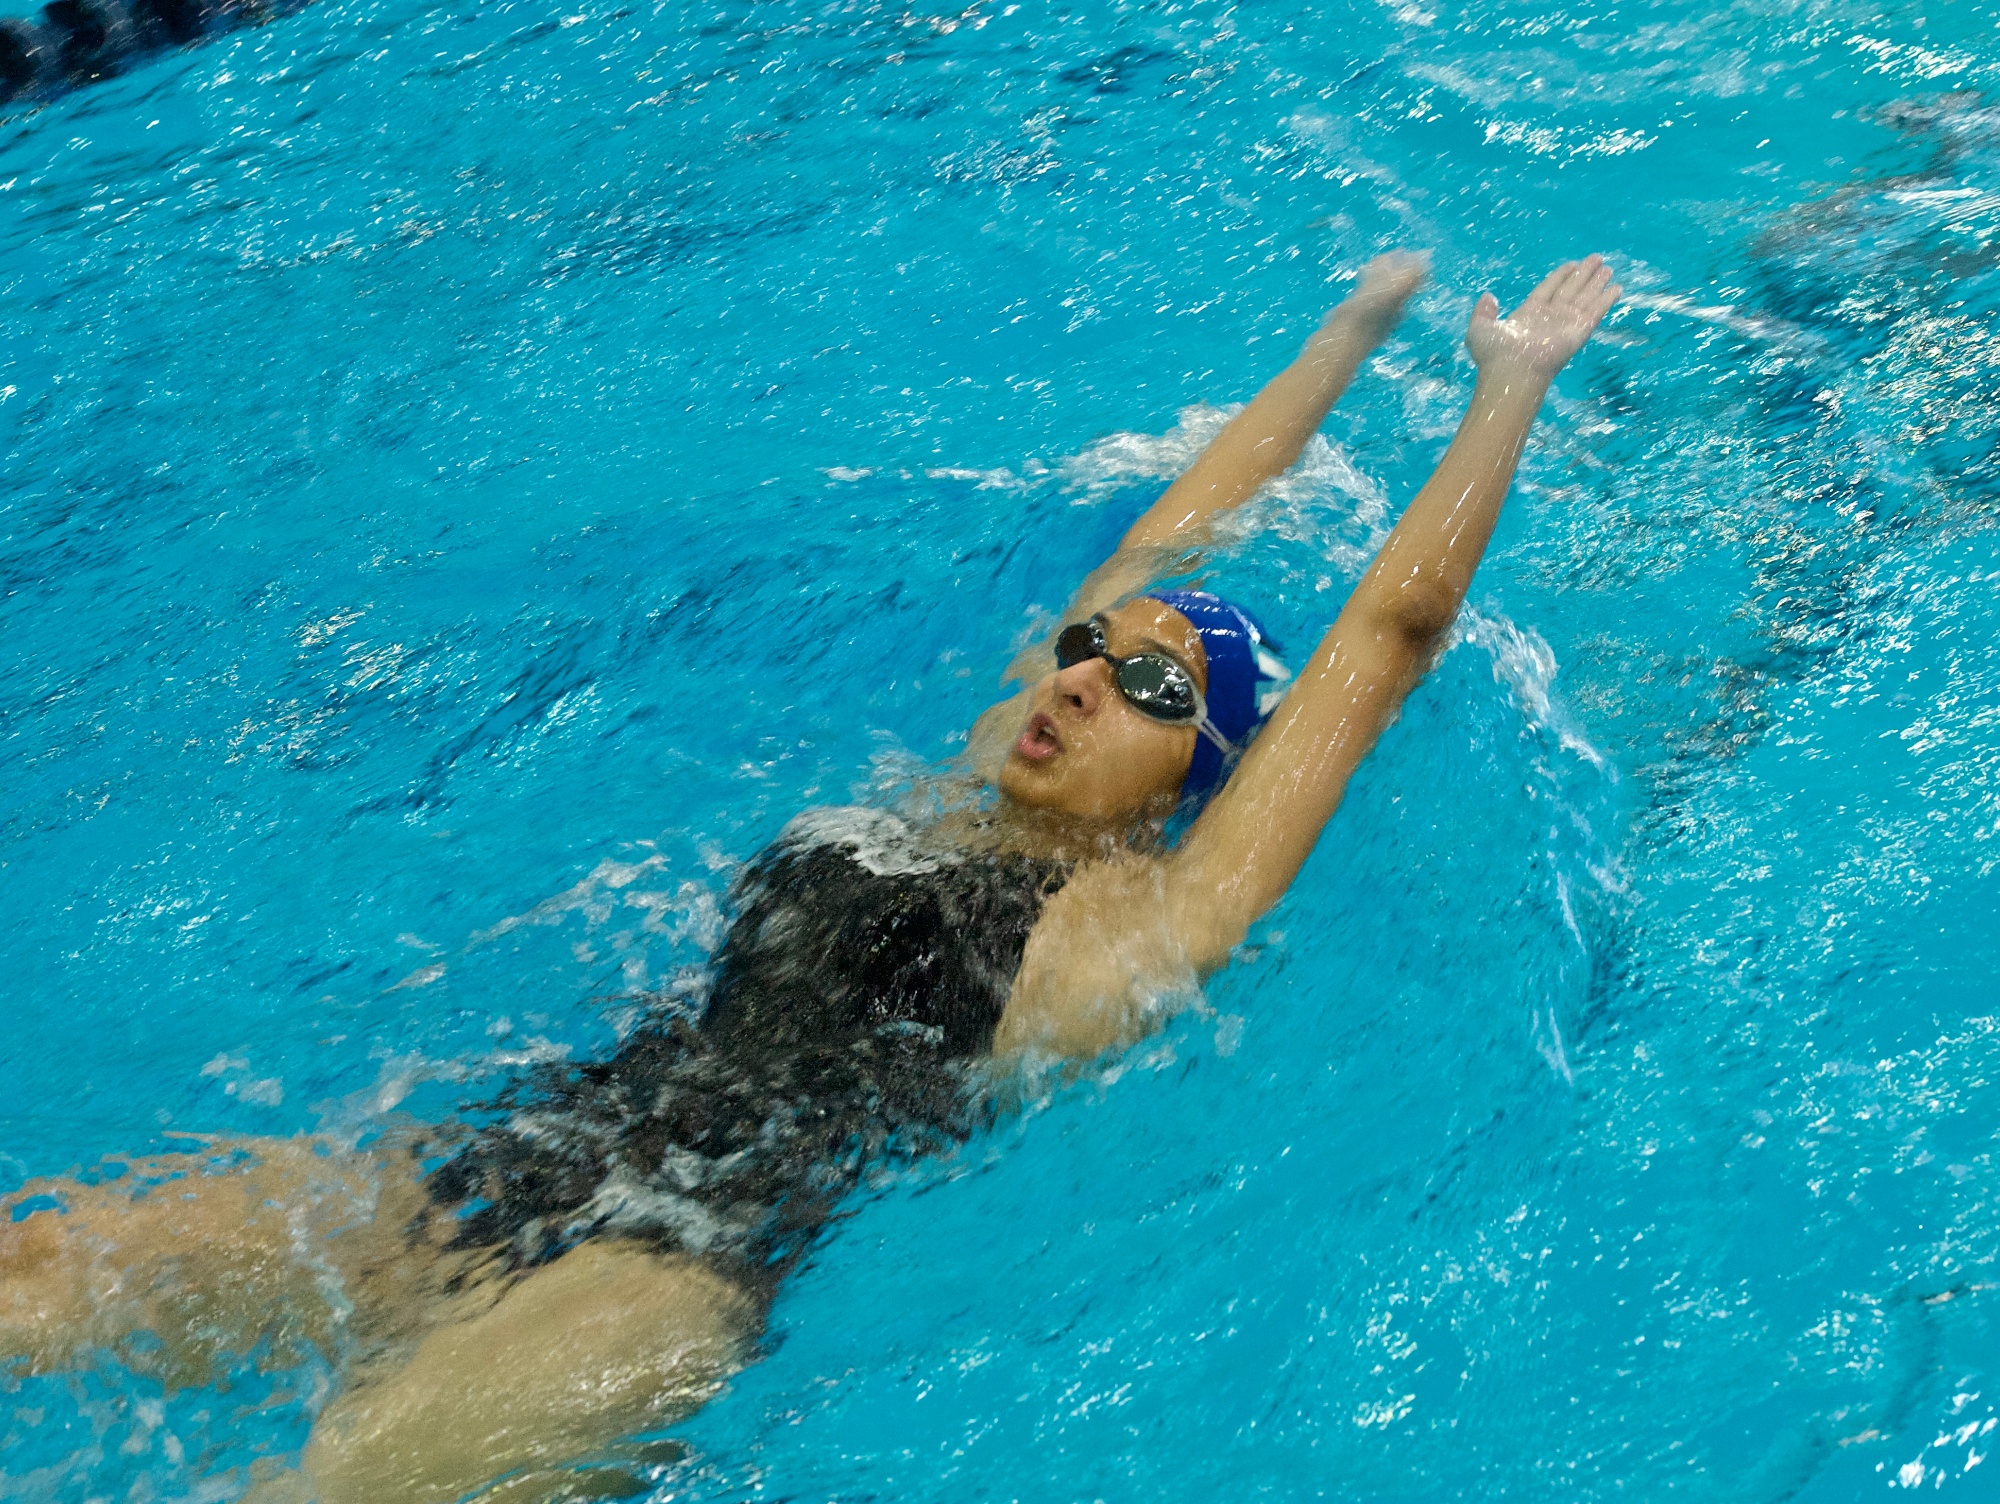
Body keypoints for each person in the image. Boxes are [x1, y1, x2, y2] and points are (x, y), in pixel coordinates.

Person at [0, 251, 1620, 1503]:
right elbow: (1163, 541)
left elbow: (1388, 640)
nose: (1078, 679)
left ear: (1198, 782)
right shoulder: (969, 769)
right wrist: (1345, 341)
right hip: (532, 1146)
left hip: (666, 1283)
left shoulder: (1149, 918)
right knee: (35, 1271)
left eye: (1152, 692)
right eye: (1083, 656)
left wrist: (1507, 386)